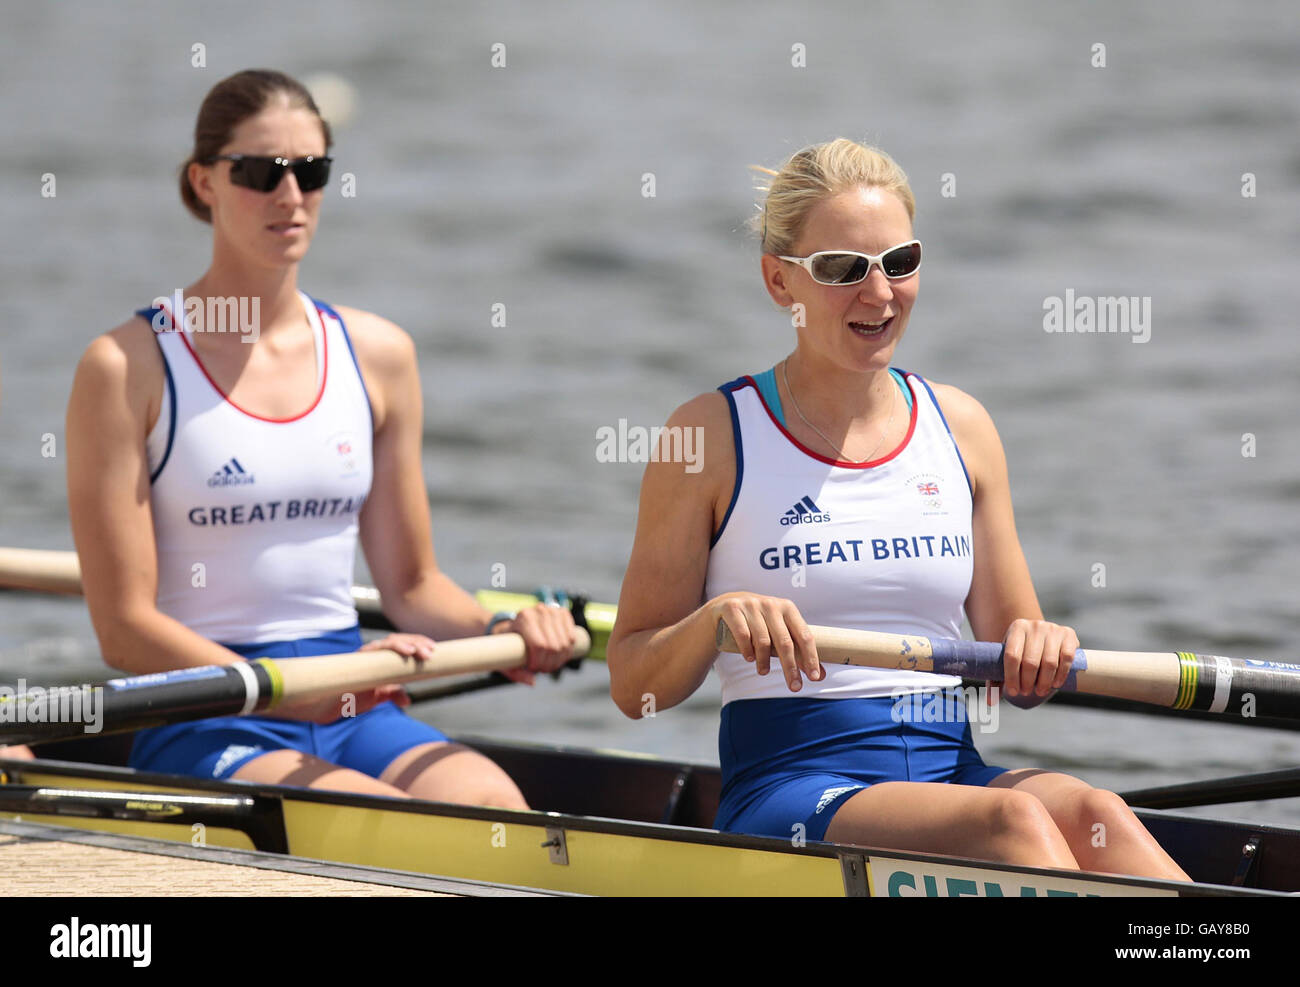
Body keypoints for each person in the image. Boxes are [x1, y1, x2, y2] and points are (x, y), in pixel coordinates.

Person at [606, 139, 1189, 879]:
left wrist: (1038, 647)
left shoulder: (963, 427)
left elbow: (1016, 655)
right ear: (779, 281)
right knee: (1015, 821)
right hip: (793, 788)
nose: (879, 295)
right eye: (843, 269)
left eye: (900, 262)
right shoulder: (709, 437)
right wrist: (714, 620)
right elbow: (633, 684)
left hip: (952, 766)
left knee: (1098, 814)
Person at [65, 69, 576, 807]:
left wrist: (505, 624)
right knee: (393, 825)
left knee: (499, 811)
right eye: (260, 172)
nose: (290, 194)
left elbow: (411, 587)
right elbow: (123, 629)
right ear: (203, 182)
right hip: (207, 710)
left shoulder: (379, 355)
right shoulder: (124, 368)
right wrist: (295, 693)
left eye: (310, 171)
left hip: (352, 695)